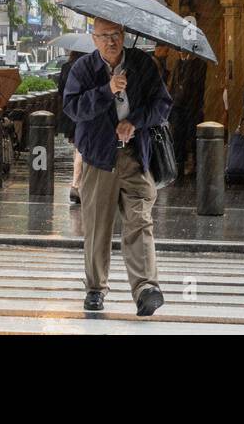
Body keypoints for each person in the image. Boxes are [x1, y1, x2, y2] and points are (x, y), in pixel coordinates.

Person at [63, 18, 171, 316]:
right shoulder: (84, 69)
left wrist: (135, 122)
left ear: (124, 36)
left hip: (136, 155)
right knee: (98, 226)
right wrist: (106, 90)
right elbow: (73, 108)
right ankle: (96, 289)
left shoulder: (142, 65)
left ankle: (146, 287)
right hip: (99, 158)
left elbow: (162, 104)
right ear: (94, 39)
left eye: (116, 35)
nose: (111, 41)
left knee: (140, 220)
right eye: (104, 36)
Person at [168, 50, 207, 177]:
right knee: (178, 137)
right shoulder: (177, 63)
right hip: (177, 108)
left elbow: (195, 84)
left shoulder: (199, 64)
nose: (181, 52)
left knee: (193, 137)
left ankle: (193, 165)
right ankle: (179, 165)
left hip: (192, 108)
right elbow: (174, 84)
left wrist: (189, 62)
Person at [56, 49, 84, 204]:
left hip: (69, 111)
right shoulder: (87, 66)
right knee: (81, 148)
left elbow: (60, 90)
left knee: (77, 146)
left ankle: (77, 183)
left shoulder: (66, 66)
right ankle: (76, 184)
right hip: (83, 111)